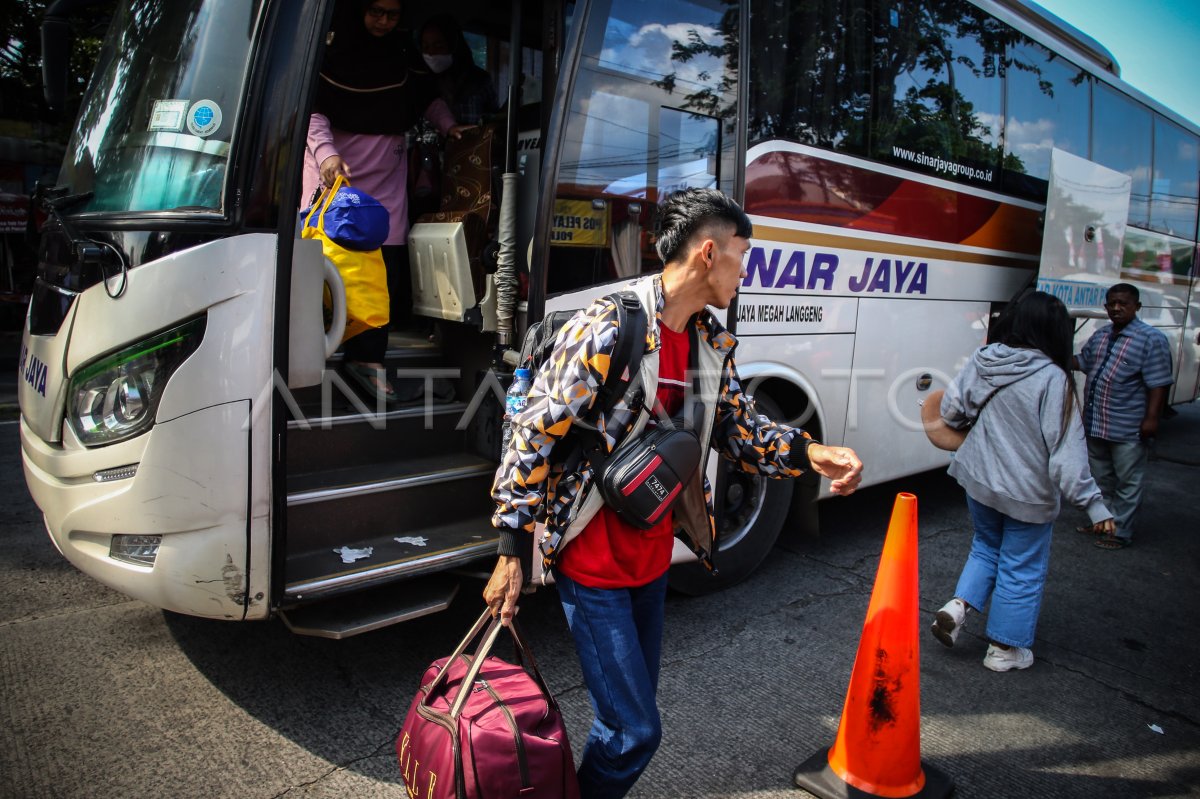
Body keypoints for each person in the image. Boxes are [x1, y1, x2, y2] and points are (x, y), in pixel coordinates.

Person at [483, 188, 864, 798]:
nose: (747, 271)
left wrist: (808, 451)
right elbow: (533, 430)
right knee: (636, 731)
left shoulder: (708, 340)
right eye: (742, 256)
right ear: (709, 253)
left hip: (652, 561)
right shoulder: (611, 324)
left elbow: (740, 426)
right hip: (593, 562)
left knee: (625, 721)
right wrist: (511, 549)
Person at [931, 291, 1115, 672]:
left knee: (985, 547)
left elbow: (950, 409)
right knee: (1021, 566)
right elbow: (1067, 453)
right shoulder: (1053, 379)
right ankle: (1004, 650)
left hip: (979, 482)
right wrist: (1093, 503)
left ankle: (959, 606)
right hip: (1027, 495)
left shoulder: (984, 359)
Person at [301, 0, 470, 403]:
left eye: (393, 14)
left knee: (383, 276)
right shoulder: (329, 58)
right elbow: (311, 112)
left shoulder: (402, 57)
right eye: (375, 11)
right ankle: (311, 359)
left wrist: (451, 128)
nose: (383, 21)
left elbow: (427, 98)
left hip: (384, 184)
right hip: (335, 180)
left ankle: (367, 360)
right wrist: (326, 156)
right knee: (327, 273)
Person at [1073, 283, 1174, 550]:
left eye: (1123, 304)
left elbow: (1159, 384)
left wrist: (1152, 419)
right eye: (1111, 303)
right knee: (1100, 478)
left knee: (1128, 481)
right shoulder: (1101, 335)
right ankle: (1101, 523)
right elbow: (1082, 362)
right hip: (1096, 423)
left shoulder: (1151, 339)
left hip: (1128, 426)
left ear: (1137, 307)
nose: (1116, 308)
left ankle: (1120, 532)